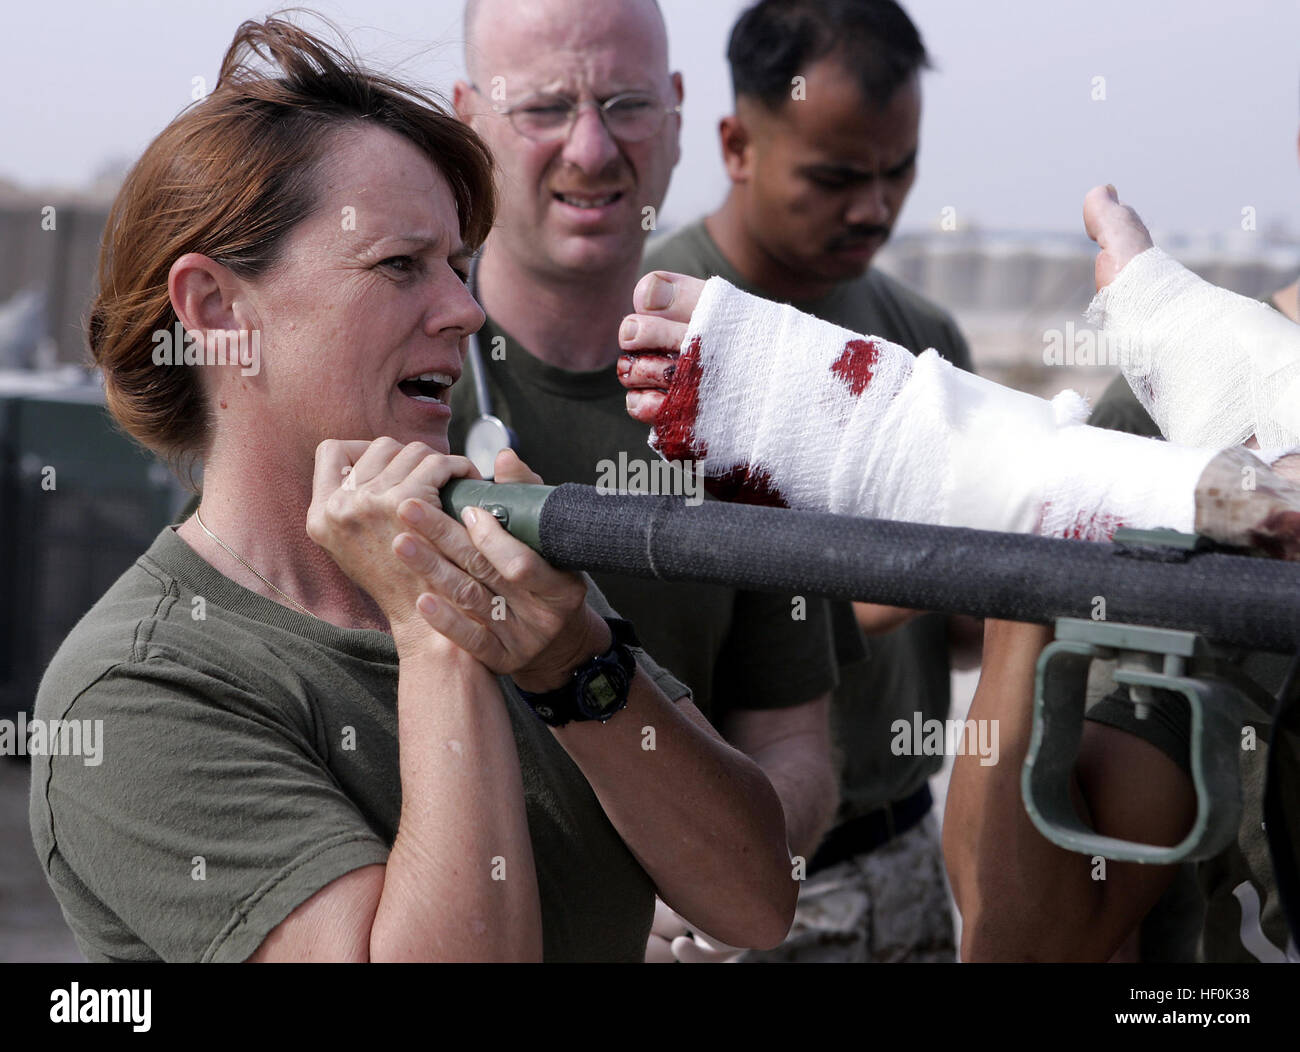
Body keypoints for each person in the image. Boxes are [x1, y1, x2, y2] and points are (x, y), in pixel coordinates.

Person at [27, 16, 797, 963]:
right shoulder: (137, 693)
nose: (466, 310)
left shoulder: (497, 557)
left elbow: (758, 902)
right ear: (218, 312)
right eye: (400, 266)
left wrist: (577, 663)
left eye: (461, 267)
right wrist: (438, 641)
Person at [616, 184, 1300, 961]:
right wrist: (1029, 520)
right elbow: (1019, 945)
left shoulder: (1195, 390)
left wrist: (1017, 479)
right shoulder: (1172, 416)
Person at [449, 0, 839, 959]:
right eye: (543, 107)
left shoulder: (747, 410)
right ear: (467, 120)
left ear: (674, 117)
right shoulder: (396, 385)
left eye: (625, 103)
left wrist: (707, 890)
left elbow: (795, 745)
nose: (590, 149)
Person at [641, 0, 969, 962]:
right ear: (737, 144)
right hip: (737, 892)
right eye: (834, 177)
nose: (874, 207)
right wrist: (914, 571)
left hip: (908, 853)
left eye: (897, 170)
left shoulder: (928, 345)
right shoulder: (656, 342)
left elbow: (966, 624)